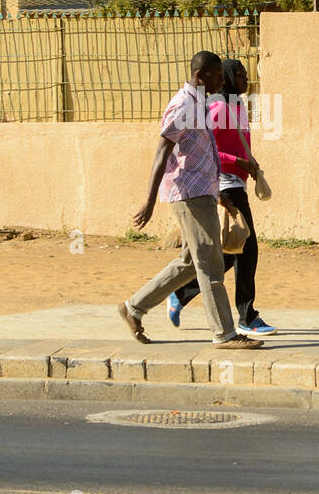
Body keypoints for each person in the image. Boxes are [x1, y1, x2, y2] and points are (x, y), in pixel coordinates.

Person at [117, 51, 263, 349]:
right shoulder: (184, 104)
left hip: (203, 192)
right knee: (210, 261)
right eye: (217, 75)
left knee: (189, 263)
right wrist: (148, 200)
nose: (222, 80)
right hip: (188, 194)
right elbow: (162, 151)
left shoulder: (200, 103)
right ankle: (225, 333)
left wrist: (220, 194)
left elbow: (203, 155)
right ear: (201, 75)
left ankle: (133, 308)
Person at [166, 57, 277, 336]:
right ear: (225, 78)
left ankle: (181, 294)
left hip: (236, 184)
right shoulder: (216, 109)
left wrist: (249, 164)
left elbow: (237, 145)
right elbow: (210, 150)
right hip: (223, 185)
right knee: (247, 248)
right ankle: (247, 316)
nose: (245, 80)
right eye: (239, 75)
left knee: (230, 251)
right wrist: (239, 163)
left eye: (245, 75)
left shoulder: (237, 107)